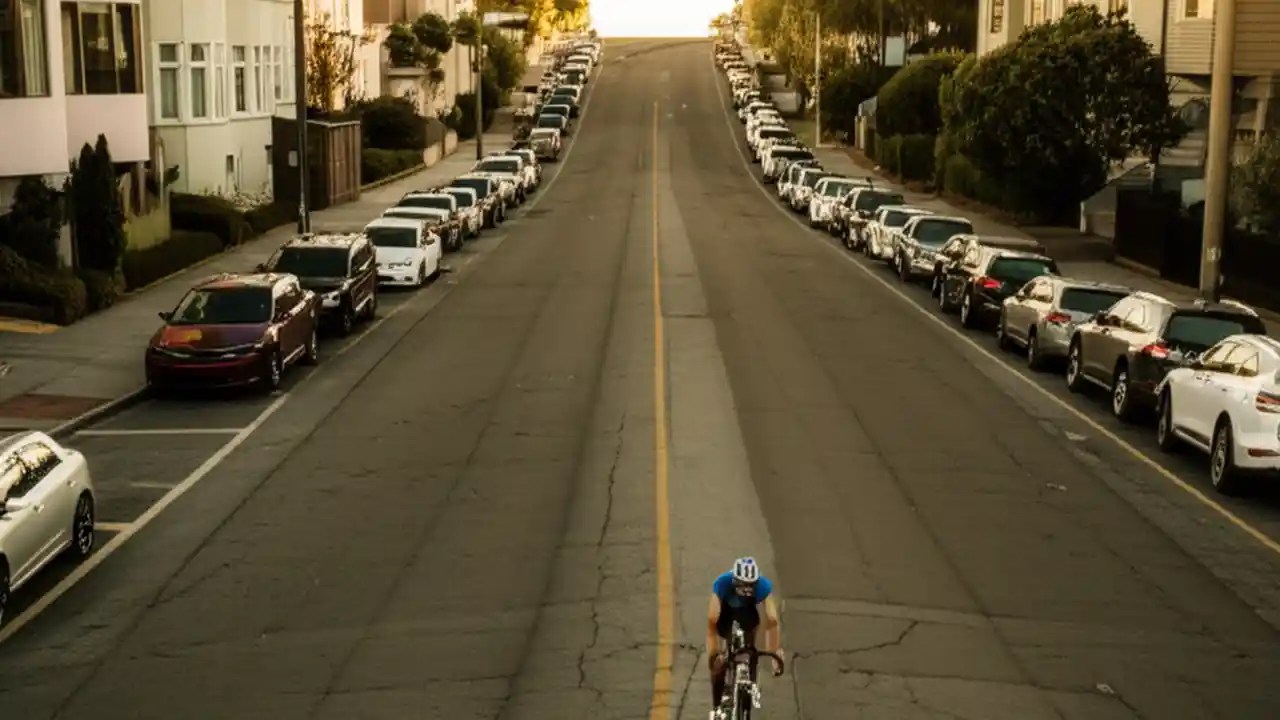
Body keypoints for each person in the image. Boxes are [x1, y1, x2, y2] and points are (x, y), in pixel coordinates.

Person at [706, 557, 784, 712]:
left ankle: (750, 680)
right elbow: (712, 620)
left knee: (750, 649)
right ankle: (716, 705)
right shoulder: (722, 582)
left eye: (751, 586)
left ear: (756, 582)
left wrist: (774, 651)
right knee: (719, 664)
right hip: (726, 614)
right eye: (742, 585)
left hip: (747, 614)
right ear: (734, 580)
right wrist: (714, 654)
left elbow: (772, 619)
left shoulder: (763, 585)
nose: (747, 590)